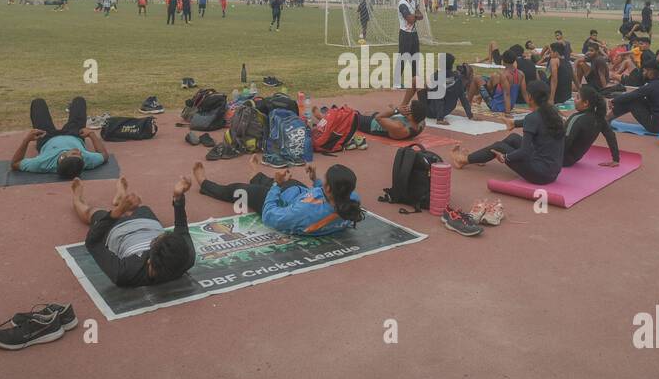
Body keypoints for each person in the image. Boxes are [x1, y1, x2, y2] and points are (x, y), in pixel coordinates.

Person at [71, 176, 196, 287]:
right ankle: (122, 198)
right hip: (147, 223)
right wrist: (178, 197)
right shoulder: (187, 258)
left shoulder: (126, 273)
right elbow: (181, 228)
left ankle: (77, 200)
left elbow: (92, 242)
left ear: (149, 261)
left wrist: (117, 212)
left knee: (93, 213)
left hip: (118, 230)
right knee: (139, 207)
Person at [194, 157, 363, 236]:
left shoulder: (304, 212)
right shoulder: (352, 200)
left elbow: (269, 216)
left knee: (238, 190)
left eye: (324, 181)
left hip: (281, 202)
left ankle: (204, 184)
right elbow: (326, 196)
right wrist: (315, 180)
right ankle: (256, 175)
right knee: (281, 182)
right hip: (298, 192)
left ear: (328, 188)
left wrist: (276, 186)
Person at [449, 81, 565, 185]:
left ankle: (462, 160)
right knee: (513, 138)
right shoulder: (553, 112)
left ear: (530, 97)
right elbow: (537, 123)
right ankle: (480, 157)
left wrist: (506, 157)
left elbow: (524, 152)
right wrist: (514, 123)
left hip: (540, 175)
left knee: (499, 147)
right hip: (552, 172)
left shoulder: (532, 118)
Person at [9, 97, 109, 177]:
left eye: (74, 152)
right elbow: (104, 155)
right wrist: (91, 134)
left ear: (62, 157)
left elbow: (15, 163)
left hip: (46, 137)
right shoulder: (85, 160)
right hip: (74, 134)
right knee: (79, 101)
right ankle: (72, 106)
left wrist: (26, 140)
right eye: (80, 155)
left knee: (38, 102)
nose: (78, 151)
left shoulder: (42, 163)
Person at [563, 85, 620, 167]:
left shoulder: (576, 119)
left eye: (578, 98)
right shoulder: (599, 119)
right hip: (573, 159)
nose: (574, 100)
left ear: (586, 103)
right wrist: (616, 159)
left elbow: (566, 140)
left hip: (561, 159)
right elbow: (611, 136)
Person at [609, 64, 659, 133]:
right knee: (636, 99)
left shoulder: (652, 86)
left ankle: (606, 119)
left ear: (650, 72)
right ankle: (607, 119)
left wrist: (614, 100)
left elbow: (632, 95)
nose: (643, 74)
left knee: (631, 101)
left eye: (644, 71)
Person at [396, 0, 425, 105]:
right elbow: (410, 19)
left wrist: (415, 16)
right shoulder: (402, 4)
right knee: (403, 57)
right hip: (405, 34)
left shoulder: (414, 2)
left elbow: (421, 16)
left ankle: (415, 81)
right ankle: (396, 82)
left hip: (413, 34)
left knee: (415, 58)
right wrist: (415, 16)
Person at [353, 101, 426, 141]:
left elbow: (378, 118)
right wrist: (396, 108)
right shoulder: (421, 124)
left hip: (371, 125)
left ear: (411, 116)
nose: (406, 108)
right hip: (384, 119)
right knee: (368, 112)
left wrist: (396, 110)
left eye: (408, 109)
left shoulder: (400, 128)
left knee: (351, 115)